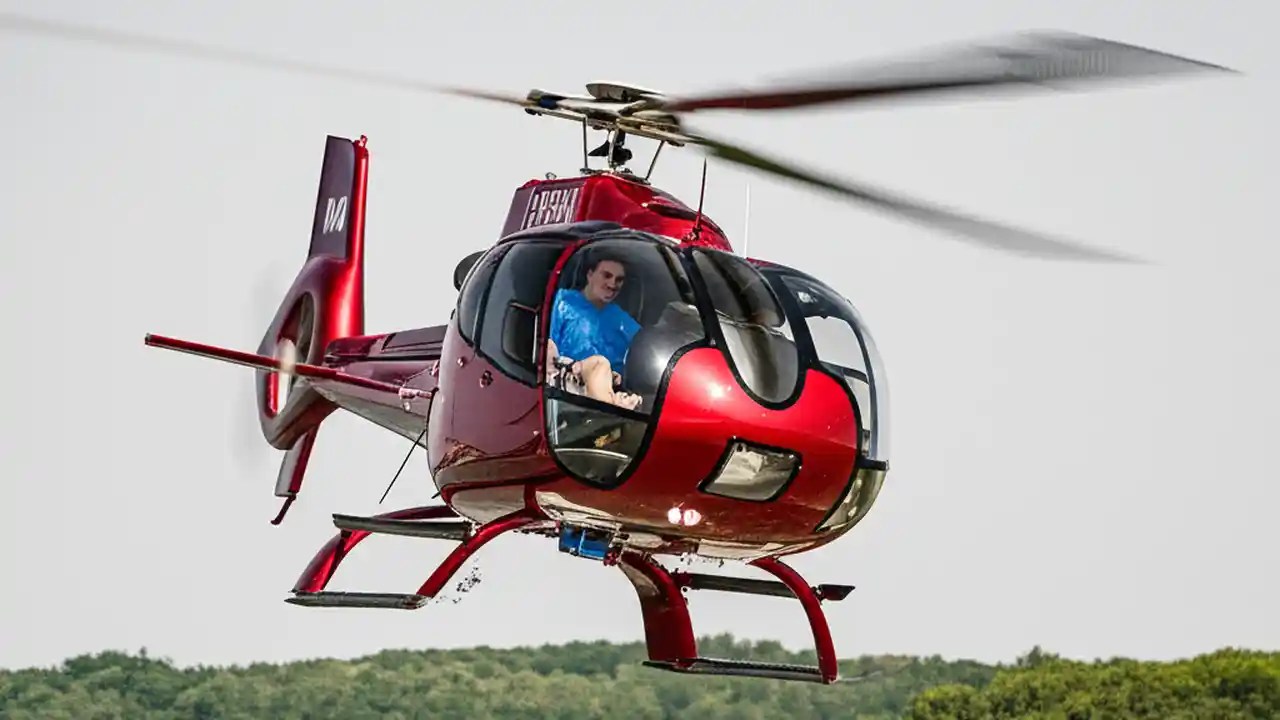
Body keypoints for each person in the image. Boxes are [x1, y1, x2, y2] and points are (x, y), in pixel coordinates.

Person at [547, 250, 643, 410]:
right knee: (600, 364)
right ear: (589, 275)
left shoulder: (622, 320)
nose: (612, 284)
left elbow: (643, 350)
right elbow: (548, 348)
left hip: (612, 392)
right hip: (567, 392)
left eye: (619, 280)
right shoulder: (562, 302)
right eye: (606, 275)